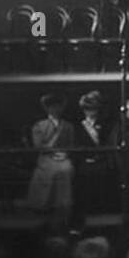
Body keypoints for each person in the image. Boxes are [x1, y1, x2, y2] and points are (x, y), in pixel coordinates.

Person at [27, 93, 75, 222]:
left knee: (66, 169)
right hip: (46, 157)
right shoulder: (39, 126)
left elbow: (71, 145)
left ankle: (63, 206)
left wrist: (65, 153)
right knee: (47, 171)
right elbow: (38, 145)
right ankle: (42, 206)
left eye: (58, 106)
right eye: (52, 107)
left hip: (63, 157)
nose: (55, 109)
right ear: (47, 109)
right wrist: (51, 151)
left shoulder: (68, 126)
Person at [74, 90, 114, 220]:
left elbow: (110, 143)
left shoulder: (107, 125)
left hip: (103, 162)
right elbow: (75, 146)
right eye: (87, 109)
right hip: (84, 163)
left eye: (93, 109)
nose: (90, 112)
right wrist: (85, 158)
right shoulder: (78, 127)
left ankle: (103, 213)